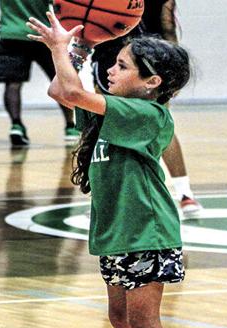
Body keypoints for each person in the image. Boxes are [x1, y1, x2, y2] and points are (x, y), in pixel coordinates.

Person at [29, 9, 193, 328]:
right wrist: (77, 48)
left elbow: (72, 90)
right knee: (120, 318)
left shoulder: (145, 115)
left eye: (122, 66)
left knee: (144, 320)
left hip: (147, 230)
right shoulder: (112, 109)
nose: (112, 70)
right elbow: (60, 91)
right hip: (118, 231)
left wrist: (64, 49)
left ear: (152, 81)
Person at [82, 0, 200, 216]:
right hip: (145, 55)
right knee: (160, 124)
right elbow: (168, 24)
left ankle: (103, 198)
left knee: (105, 125)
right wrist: (176, 71)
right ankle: (185, 195)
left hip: (129, 55)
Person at [0, 0, 78, 147]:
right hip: (42, 34)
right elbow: (60, 6)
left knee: (13, 85)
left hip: (12, 34)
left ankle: (16, 126)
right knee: (61, 80)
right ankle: (70, 127)